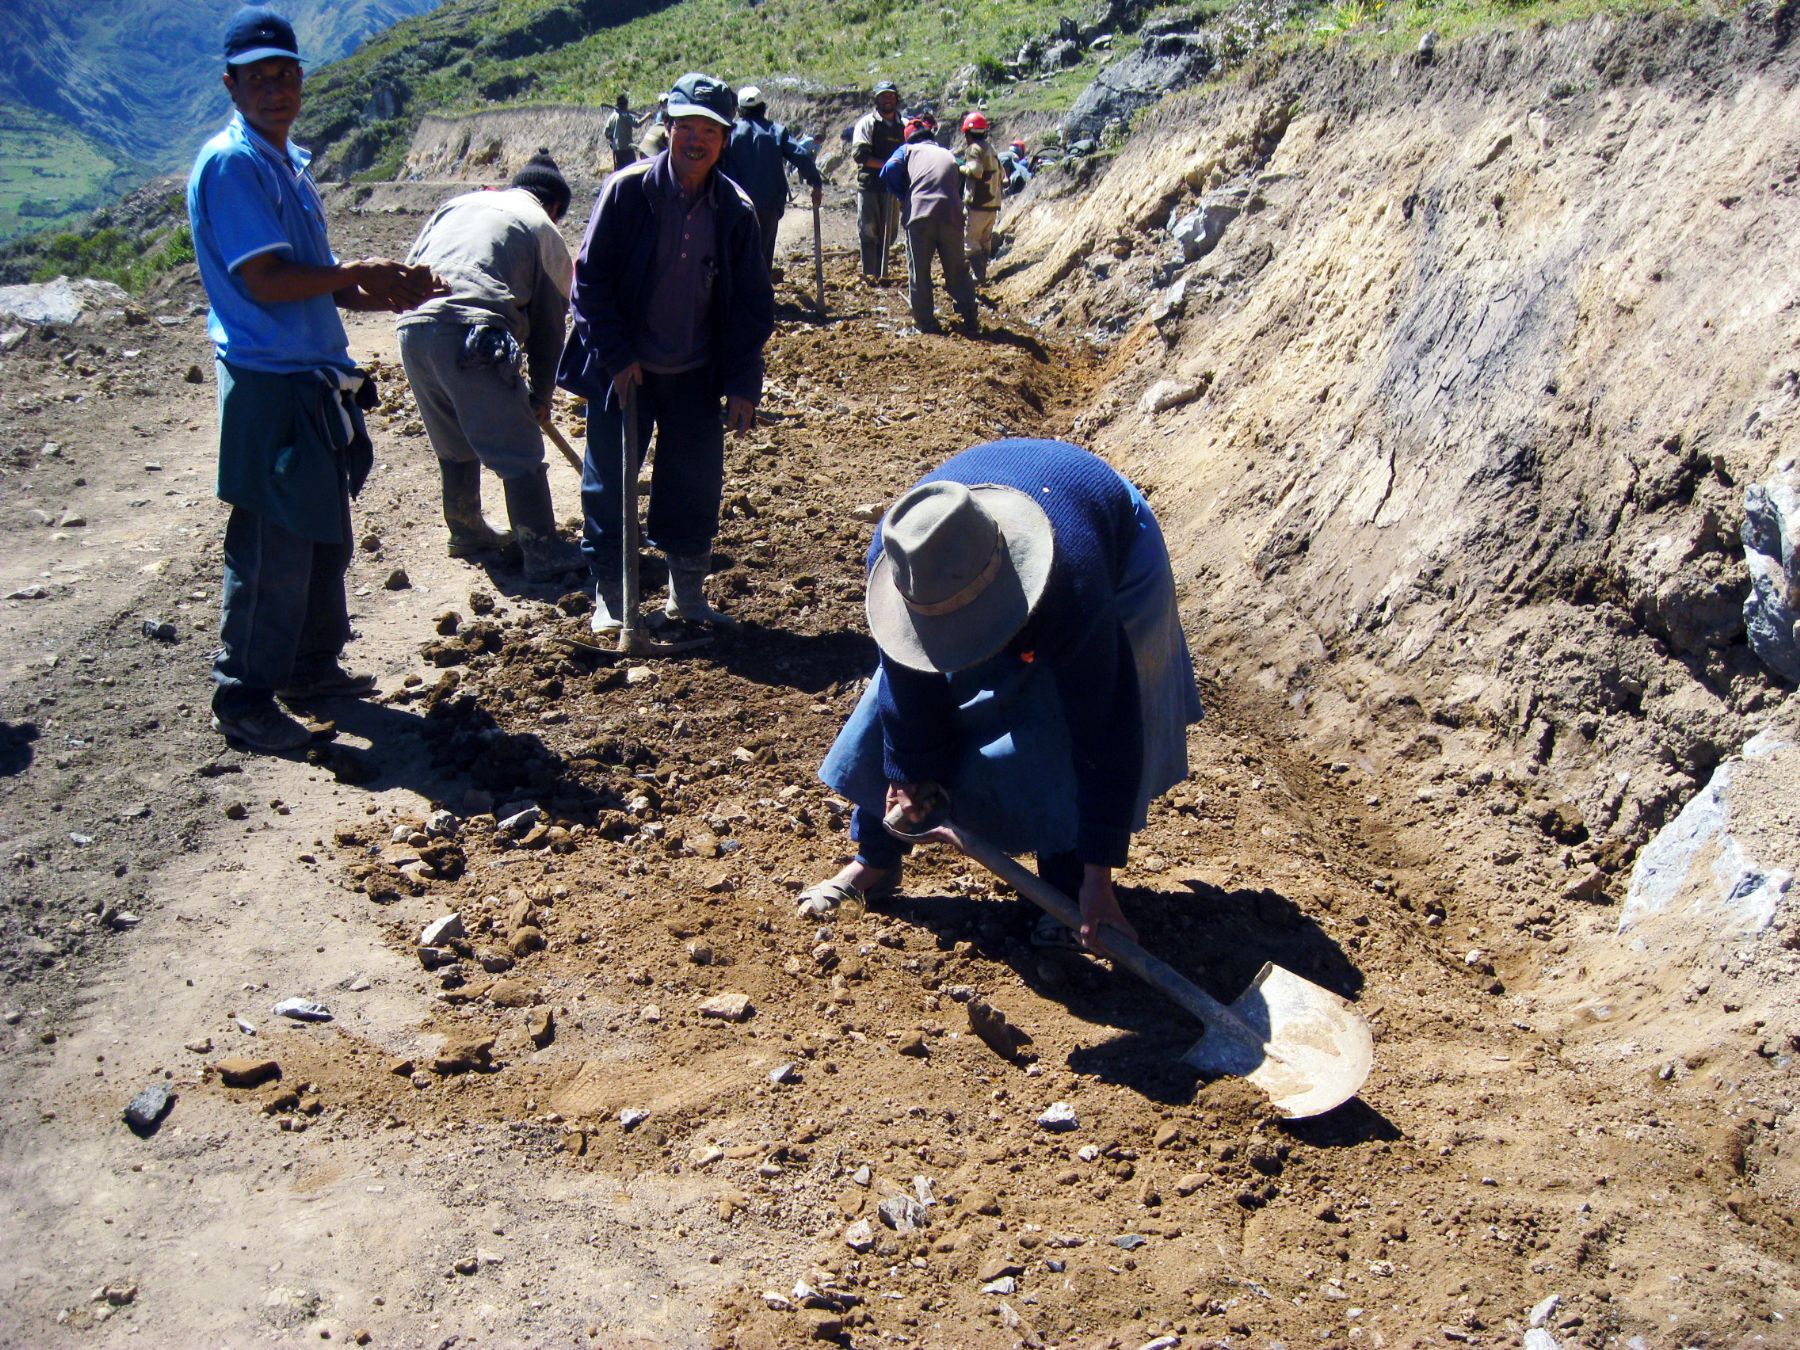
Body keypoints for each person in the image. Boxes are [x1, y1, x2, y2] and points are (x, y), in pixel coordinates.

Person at [803, 439, 1204, 952]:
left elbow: (1106, 730)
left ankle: (1065, 884)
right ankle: (875, 860)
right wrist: (907, 774)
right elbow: (907, 687)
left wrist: (1097, 880)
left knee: (1052, 717)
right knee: (890, 704)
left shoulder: (1074, 585)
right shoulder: (903, 552)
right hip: (992, 541)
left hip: (1112, 546)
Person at [186, 5, 440, 753]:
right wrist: (355, 274)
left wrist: (377, 288)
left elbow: (308, 279)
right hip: (271, 379)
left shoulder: (282, 161)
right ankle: (245, 694)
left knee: (322, 535)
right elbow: (264, 279)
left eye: (286, 74)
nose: (275, 88)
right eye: (258, 78)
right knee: (274, 539)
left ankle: (307, 667)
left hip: (306, 373)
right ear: (231, 86)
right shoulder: (234, 164)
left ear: (302, 81)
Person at [556, 73, 775, 634]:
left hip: (696, 371)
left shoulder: (735, 209)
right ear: (668, 129)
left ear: (724, 140)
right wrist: (615, 352)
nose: (696, 140)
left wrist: (744, 381)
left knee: (694, 482)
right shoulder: (627, 192)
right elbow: (591, 281)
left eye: (709, 130)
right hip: (624, 367)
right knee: (609, 486)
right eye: (686, 128)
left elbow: (752, 304)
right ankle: (612, 599)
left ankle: (687, 596)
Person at [396, 151, 583, 579]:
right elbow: (550, 328)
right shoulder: (542, 227)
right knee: (517, 448)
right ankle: (542, 550)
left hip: (413, 327)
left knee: (452, 436)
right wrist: (540, 395)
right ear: (555, 206)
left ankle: (466, 530)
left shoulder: (457, 206)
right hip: (474, 332)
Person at [879, 114, 978, 336]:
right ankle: (969, 315)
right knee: (956, 269)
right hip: (951, 214)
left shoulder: (907, 151)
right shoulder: (948, 154)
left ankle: (925, 322)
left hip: (920, 215)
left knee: (920, 271)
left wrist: (904, 194)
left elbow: (888, 170)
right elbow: (958, 177)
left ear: (909, 139)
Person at [720, 85, 824, 276]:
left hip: (736, 202)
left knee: (736, 253)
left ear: (740, 109)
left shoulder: (729, 132)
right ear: (763, 107)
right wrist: (815, 183)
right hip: (769, 203)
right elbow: (800, 156)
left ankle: (735, 301)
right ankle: (761, 300)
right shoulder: (777, 131)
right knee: (763, 253)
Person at [848, 81, 905, 281]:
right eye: (883, 96)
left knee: (889, 232)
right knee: (869, 229)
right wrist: (889, 165)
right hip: (870, 185)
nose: (887, 100)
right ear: (876, 100)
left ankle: (883, 273)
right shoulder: (867, 123)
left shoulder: (904, 125)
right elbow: (860, 155)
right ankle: (869, 273)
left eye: (890, 96)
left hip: (894, 187)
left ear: (896, 99)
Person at [958, 111, 1005, 285]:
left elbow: (976, 171)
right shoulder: (991, 149)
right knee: (985, 241)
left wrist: (961, 168)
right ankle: (982, 274)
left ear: (967, 133)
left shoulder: (973, 149)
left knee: (971, 242)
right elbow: (1002, 174)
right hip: (993, 204)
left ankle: (975, 278)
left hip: (978, 204)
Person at [605, 93, 642, 174]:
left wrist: (613, 139)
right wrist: (647, 116)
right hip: (627, 148)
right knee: (632, 171)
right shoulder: (626, 115)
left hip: (617, 149)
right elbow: (637, 124)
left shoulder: (612, 117)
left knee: (620, 172)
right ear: (625, 105)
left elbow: (606, 133)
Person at [638, 94, 671, 158]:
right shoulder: (660, 116)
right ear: (661, 104)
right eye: (664, 102)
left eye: (667, 101)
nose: (666, 103)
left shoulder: (670, 113)